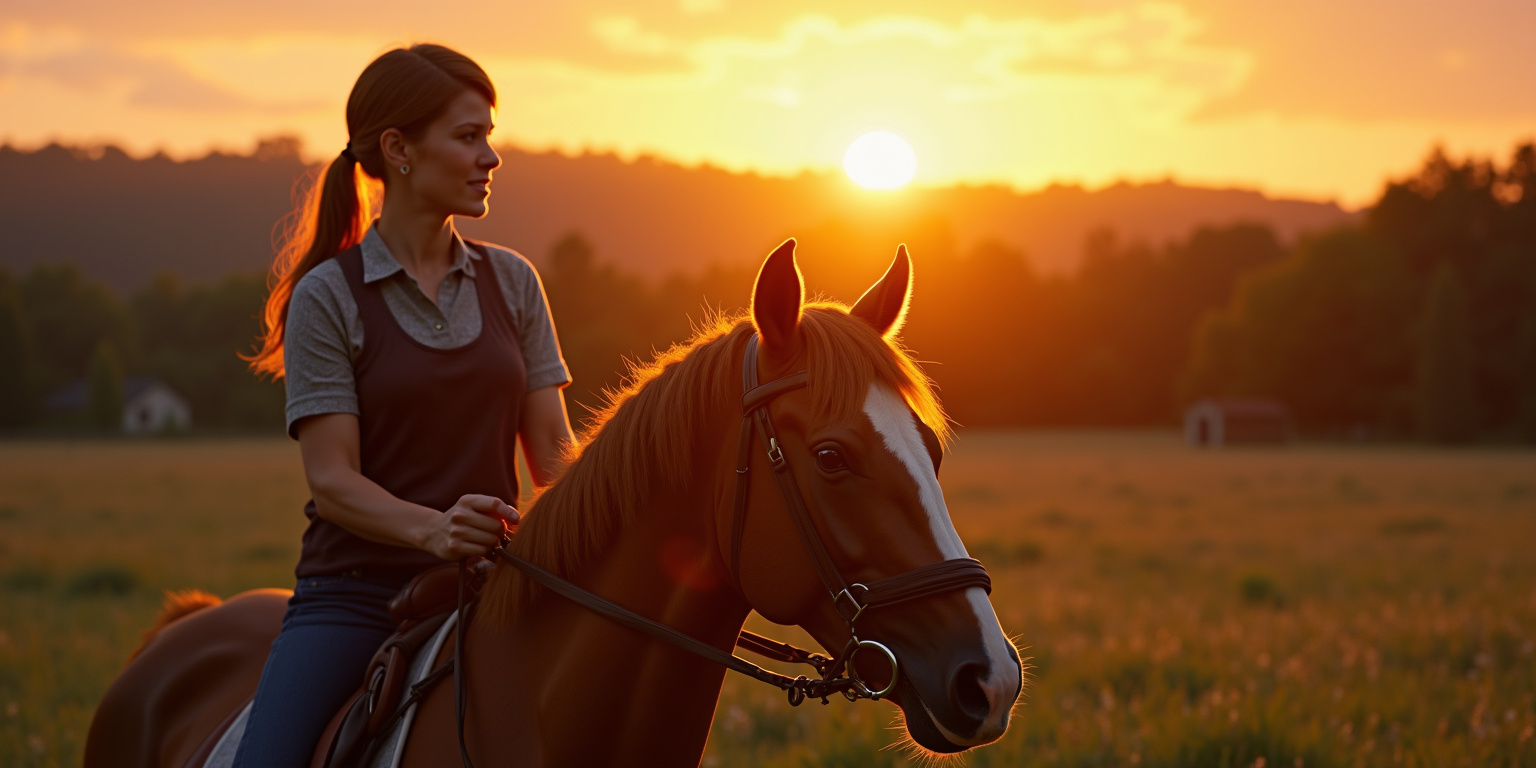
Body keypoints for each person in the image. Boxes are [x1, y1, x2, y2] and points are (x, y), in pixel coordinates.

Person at [234, 44, 575, 766]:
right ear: (399, 150)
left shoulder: (514, 283)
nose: (492, 156)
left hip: (492, 591)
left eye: (491, 134)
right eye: (468, 135)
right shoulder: (328, 295)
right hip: (352, 599)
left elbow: (554, 458)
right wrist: (435, 531)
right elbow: (332, 480)